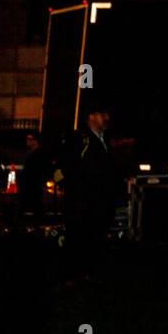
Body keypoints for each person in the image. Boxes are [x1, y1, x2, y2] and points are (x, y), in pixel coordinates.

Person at [58, 97, 117, 285]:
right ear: (91, 117)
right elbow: (66, 169)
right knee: (78, 239)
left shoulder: (104, 141)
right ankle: (74, 276)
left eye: (107, 114)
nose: (106, 118)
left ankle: (88, 274)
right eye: (102, 114)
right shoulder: (79, 140)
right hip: (82, 203)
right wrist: (77, 190)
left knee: (94, 240)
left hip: (98, 203)